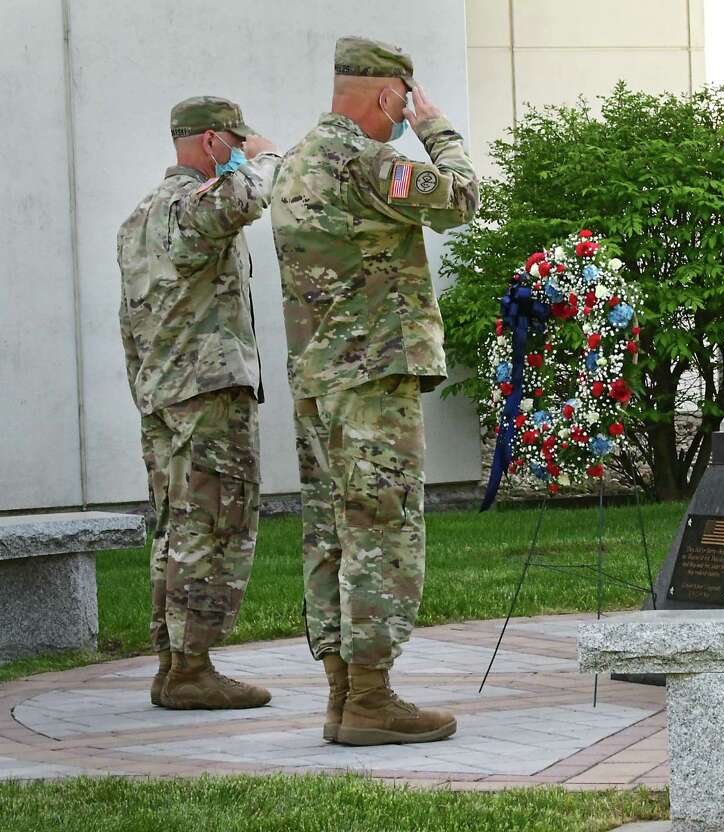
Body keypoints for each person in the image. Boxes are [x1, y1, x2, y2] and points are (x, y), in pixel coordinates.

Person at [271, 36, 479, 745]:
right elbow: (461, 201)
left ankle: (341, 695)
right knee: (382, 530)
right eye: (403, 102)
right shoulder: (371, 161)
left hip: (318, 378)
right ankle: (371, 698)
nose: (402, 115)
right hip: (372, 372)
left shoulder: (295, 162)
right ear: (389, 95)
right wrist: (437, 130)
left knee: (330, 531)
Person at [117, 96, 281, 708]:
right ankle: (191, 668)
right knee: (212, 525)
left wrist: (145, 387)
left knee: (176, 525)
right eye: (234, 141)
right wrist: (267, 159)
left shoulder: (139, 216)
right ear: (211, 141)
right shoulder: (190, 204)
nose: (241, 148)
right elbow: (243, 199)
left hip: (164, 392)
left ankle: (172, 664)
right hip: (206, 394)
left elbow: (131, 319)